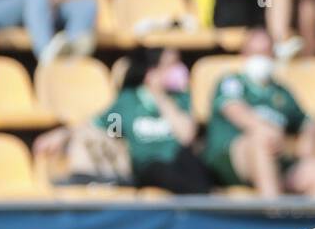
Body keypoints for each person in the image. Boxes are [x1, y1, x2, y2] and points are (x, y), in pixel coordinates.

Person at [35, 46, 210, 193]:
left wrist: (161, 98)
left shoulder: (180, 99)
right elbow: (107, 131)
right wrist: (63, 134)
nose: (178, 69)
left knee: (196, 169)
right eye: (171, 65)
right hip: (147, 167)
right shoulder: (127, 102)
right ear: (151, 70)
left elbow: (186, 136)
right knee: (163, 172)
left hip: (181, 161)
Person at [204, 29, 315, 196]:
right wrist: (265, 129)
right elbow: (234, 108)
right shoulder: (232, 81)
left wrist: (307, 143)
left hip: (276, 160)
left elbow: (309, 119)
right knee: (261, 140)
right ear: (244, 54)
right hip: (232, 157)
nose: (260, 58)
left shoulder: (281, 92)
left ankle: (307, 221)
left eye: (265, 52)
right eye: (255, 52)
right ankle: (273, 211)